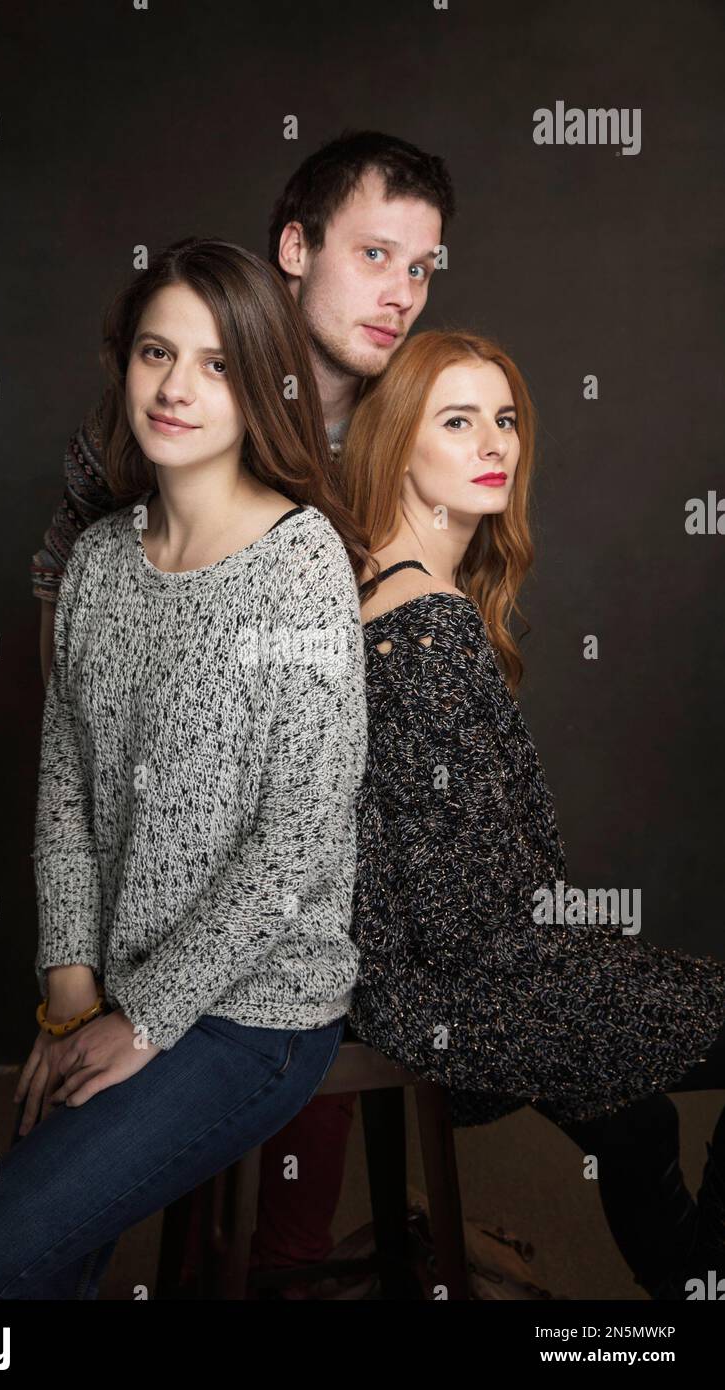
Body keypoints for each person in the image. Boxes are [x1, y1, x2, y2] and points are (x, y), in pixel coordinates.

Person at [29, 128, 455, 1295]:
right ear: (293, 251)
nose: (399, 293)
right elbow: (78, 627)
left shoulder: (400, 430)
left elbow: (439, 660)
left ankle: (287, 1270)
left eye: (421, 269)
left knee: (318, 923)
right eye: (374, 255)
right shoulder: (175, 386)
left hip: (326, 867)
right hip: (165, 840)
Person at [0, 238, 370, 1300]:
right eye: (158, 352)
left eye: (215, 364)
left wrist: (145, 1016)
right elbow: (65, 782)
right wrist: (69, 987)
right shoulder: (102, 560)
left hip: (254, 1010)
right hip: (115, 979)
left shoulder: (299, 570)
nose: (177, 388)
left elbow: (299, 835)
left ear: (260, 385)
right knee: (32, 1266)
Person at [342, 326, 725, 1301]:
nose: (494, 444)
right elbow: (466, 912)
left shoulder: (388, 592)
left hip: (443, 971)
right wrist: (596, 951)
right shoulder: (424, 626)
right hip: (459, 993)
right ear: (394, 445)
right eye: (457, 420)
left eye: (504, 419)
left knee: (637, 1125)